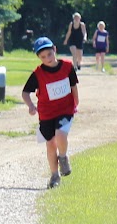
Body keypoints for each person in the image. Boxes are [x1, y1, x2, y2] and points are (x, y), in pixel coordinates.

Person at [22, 36, 79, 189]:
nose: (47, 58)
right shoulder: (38, 74)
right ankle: (54, 175)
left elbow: (73, 85)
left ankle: (63, 157)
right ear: (38, 58)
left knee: (61, 135)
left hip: (65, 109)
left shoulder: (67, 66)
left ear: (55, 49)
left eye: (49, 54)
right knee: (50, 144)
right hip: (46, 113)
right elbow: (25, 92)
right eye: (43, 57)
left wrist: (76, 102)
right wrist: (31, 106)